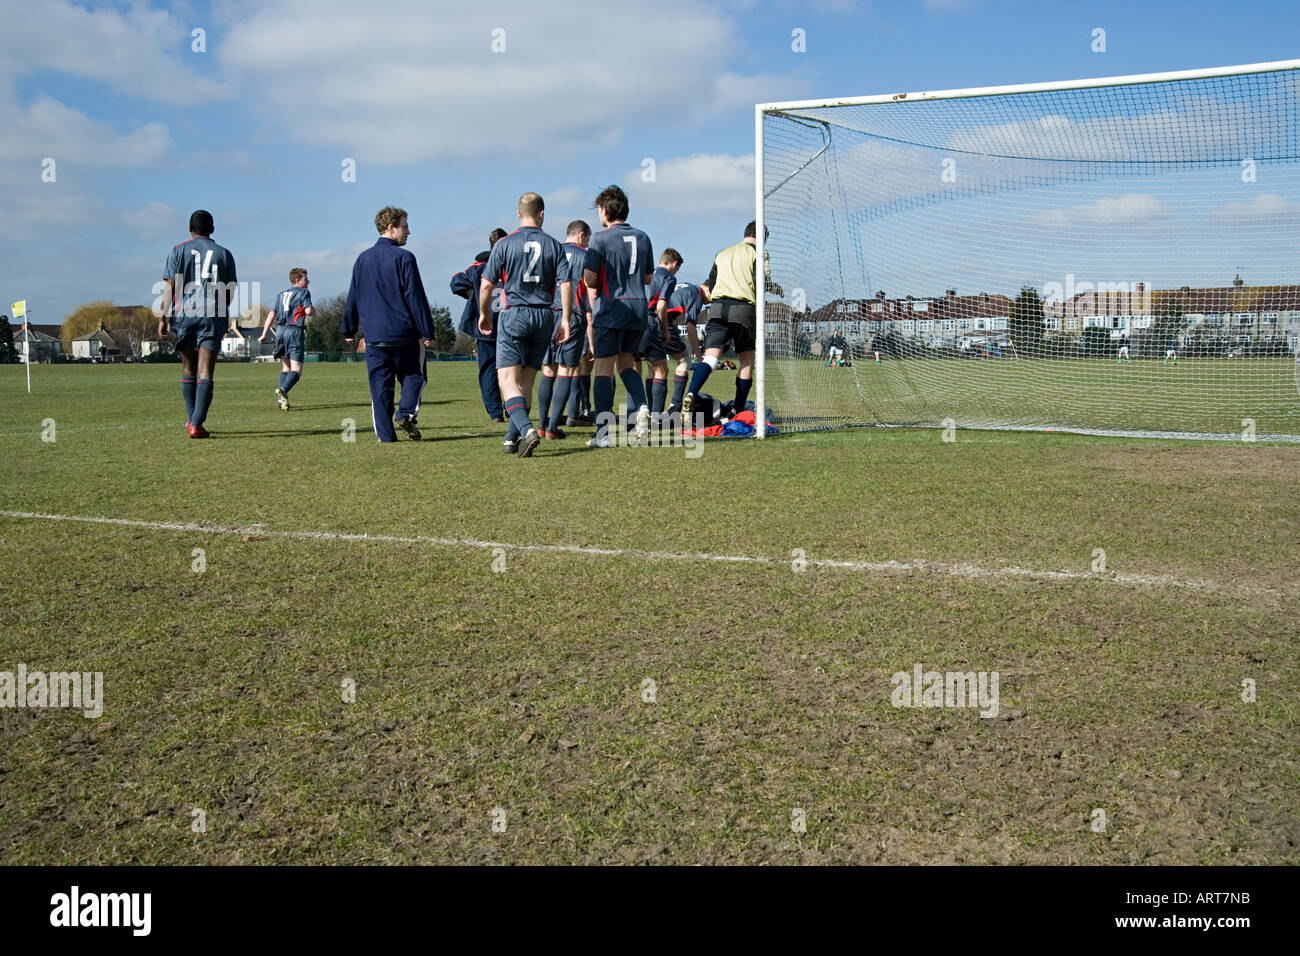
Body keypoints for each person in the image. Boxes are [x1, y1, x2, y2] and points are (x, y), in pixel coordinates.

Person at [478, 192, 572, 458]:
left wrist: (483, 312)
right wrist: (565, 318)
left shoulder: (505, 244)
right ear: (542, 214)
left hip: (515, 313)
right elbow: (566, 283)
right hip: (544, 315)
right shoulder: (555, 245)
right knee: (527, 380)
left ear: (518, 214)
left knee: (506, 379)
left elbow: (487, 283)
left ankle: (527, 430)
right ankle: (511, 438)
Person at [342, 206, 434, 442]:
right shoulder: (404, 257)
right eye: (405, 226)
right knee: (414, 376)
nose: (409, 232)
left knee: (380, 390)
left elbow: (353, 295)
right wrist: (427, 329)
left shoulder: (362, 259)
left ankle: (386, 438)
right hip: (404, 334)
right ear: (392, 228)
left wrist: (348, 327)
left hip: (374, 336)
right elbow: (415, 296)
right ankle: (405, 413)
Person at [583, 185, 653, 447]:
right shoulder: (643, 237)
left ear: (604, 210)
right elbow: (648, 277)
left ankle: (602, 435)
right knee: (626, 364)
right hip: (638, 308)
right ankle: (643, 407)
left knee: (603, 369)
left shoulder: (600, 239)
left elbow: (590, 280)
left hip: (613, 307)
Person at [158, 209, 237, 438]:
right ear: (212, 229)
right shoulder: (224, 254)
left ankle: (191, 419)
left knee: (187, 368)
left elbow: (170, 287)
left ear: (190, 229)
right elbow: (230, 290)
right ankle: (196, 424)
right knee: (205, 371)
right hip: (212, 314)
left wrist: (162, 317)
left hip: (184, 315)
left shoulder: (177, 250)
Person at [683, 220, 763, 432]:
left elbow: (712, 285)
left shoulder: (723, 253)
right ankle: (737, 411)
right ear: (762, 238)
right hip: (742, 309)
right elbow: (762, 281)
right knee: (746, 361)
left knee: (710, 358)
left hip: (717, 309)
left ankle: (691, 392)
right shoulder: (759, 253)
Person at [537, 219, 592, 440]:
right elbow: (590, 289)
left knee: (547, 370)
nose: (588, 244)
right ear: (581, 236)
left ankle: (540, 425)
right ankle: (552, 429)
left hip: (548, 313)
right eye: (587, 239)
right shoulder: (585, 256)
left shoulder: (551, 250)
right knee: (567, 371)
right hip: (573, 314)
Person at [451, 228, 508, 421]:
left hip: (486, 326)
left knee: (488, 370)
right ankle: (513, 406)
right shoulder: (514, 266)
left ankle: (495, 413)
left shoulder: (478, 268)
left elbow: (455, 282)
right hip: (510, 326)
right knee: (512, 369)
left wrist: (471, 294)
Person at [258, 267, 314, 409]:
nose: (308, 281)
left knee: (286, 366)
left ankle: (281, 399)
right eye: (305, 279)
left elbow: (272, 314)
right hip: (294, 331)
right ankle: (283, 390)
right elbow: (308, 311)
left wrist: (264, 333)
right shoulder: (304, 292)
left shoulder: (281, 294)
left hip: (280, 331)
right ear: (297, 281)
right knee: (297, 370)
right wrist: (313, 311)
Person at [664, 278, 706, 414]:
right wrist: (699, 356)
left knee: (652, 366)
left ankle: (638, 411)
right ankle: (674, 408)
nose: (709, 302)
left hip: (644, 316)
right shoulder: (697, 295)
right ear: (708, 288)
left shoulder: (687, 285)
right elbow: (691, 327)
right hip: (661, 320)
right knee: (684, 360)